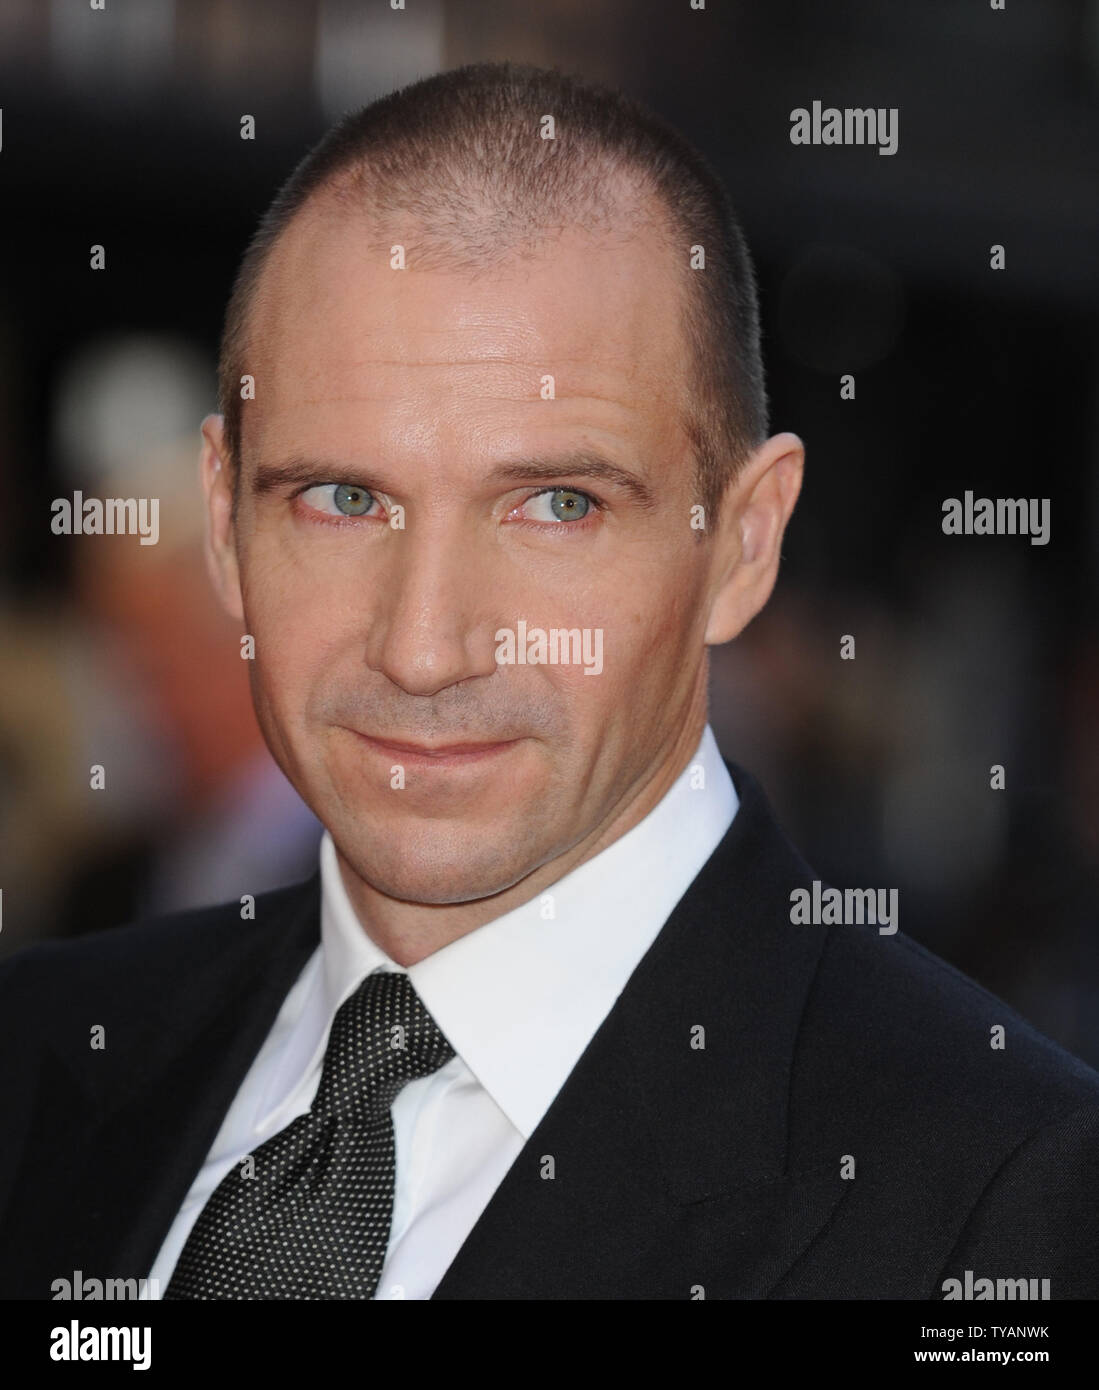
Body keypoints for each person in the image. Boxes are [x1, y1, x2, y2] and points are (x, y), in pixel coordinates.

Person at [2, 61, 1096, 1302]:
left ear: (742, 543)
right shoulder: (40, 1052)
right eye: (343, 498)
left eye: (556, 505)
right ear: (224, 522)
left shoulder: (1001, 1202)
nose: (423, 647)